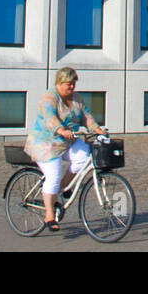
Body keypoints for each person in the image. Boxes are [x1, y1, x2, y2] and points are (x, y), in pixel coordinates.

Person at [23, 67, 106, 231]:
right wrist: (60, 130)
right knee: (53, 175)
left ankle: (61, 188)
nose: (72, 87)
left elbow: (86, 116)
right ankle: (49, 215)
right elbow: (50, 118)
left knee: (85, 155)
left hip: (67, 141)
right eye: (69, 84)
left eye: (74, 84)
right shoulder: (49, 98)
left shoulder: (77, 98)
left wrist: (98, 130)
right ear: (59, 83)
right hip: (46, 144)